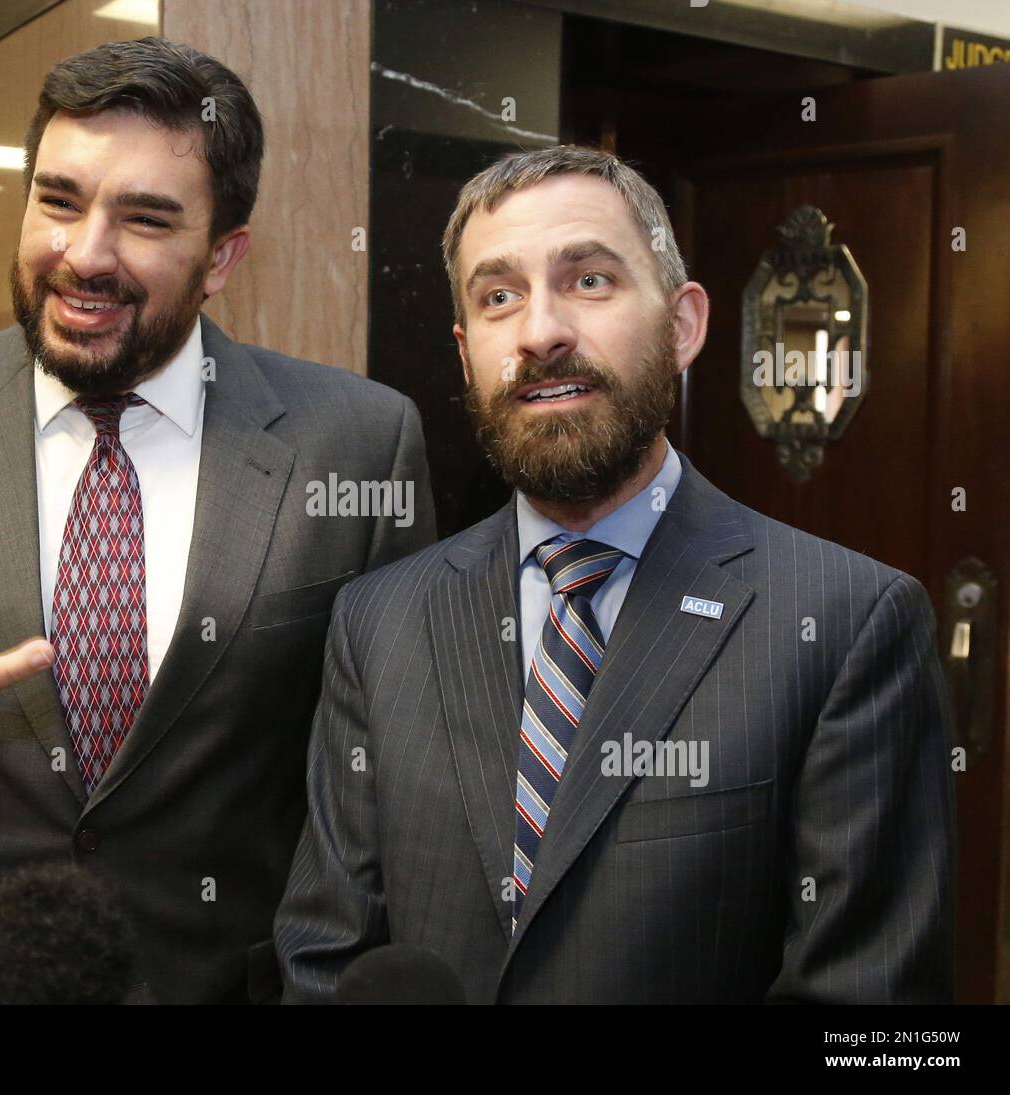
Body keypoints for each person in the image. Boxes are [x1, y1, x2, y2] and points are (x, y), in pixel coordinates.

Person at [0, 37, 435, 1004]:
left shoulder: (358, 441)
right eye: (58, 199)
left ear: (223, 256)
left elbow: (396, 773)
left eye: (145, 218)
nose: (84, 253)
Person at [274, 145, 954, 1004]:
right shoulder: (379, 623)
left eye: (589, 281)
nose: (540, 331)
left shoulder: (846, 623)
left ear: (682, 323)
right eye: (498, 296)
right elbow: (325, 960)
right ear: (464, 352)